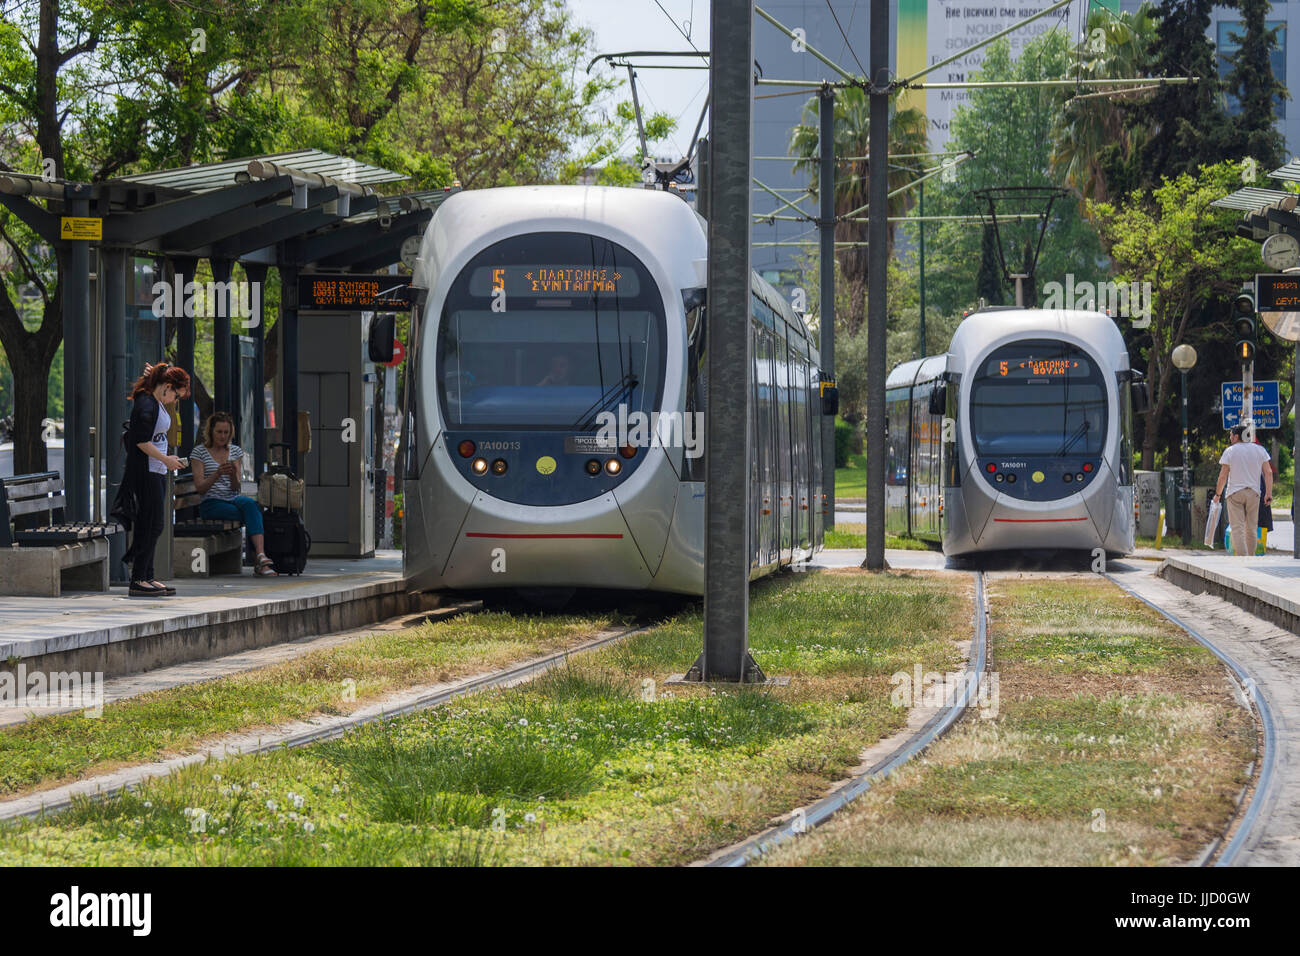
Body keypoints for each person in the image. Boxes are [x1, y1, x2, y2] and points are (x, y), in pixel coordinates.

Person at [122, 364, 190, 596]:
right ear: (167, 387)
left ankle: (147, 575)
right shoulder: (146, 403)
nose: (174, 400)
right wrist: (166, 459)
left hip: (157, 469)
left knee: (153, 524)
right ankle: (139, 577)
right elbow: (140, 441)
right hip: (148, 471)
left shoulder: (154, 402)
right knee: (151, 524)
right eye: (175, 394)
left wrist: (166, 459)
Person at [190, 412, 277, 576]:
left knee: (251, 505)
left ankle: (260, 555)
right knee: (253, 513)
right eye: (219, 432)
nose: (223, 436)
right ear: (211, 432)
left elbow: (236, 488)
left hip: (232, 499)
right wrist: (217, 474)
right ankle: (261, 562)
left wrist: (232, 474)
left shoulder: (235, 451)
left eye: (226, 432)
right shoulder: (199, 452)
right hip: (211, 503)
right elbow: (200, 488)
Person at [1214, 425, 1273, 556]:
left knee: (1237, 528)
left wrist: (1218, 494)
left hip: (1234, 493)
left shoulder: (1230, 451)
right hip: (1254, 493)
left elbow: (1223, 475)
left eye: (1230, 435)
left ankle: (1242, 558)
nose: (1230, 437)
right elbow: (1268, 472)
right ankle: (1251, 558)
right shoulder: (1260, 450)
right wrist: (1268, 493)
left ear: (1236, 436)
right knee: (1251, 528)